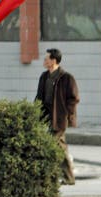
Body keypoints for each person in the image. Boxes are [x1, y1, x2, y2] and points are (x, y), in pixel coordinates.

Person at [35, 48, 79, 185]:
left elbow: (74, 98)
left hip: (59, 118)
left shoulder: (66, 78)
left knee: (50, 145)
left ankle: (51, 177)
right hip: (46, 116)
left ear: (53, 61)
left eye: (46, 59)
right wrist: (34, 112)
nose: (44, 61)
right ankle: (67, 177)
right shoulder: (44, 76)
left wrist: (67, 114)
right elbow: (39, 97)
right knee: (59, 147)